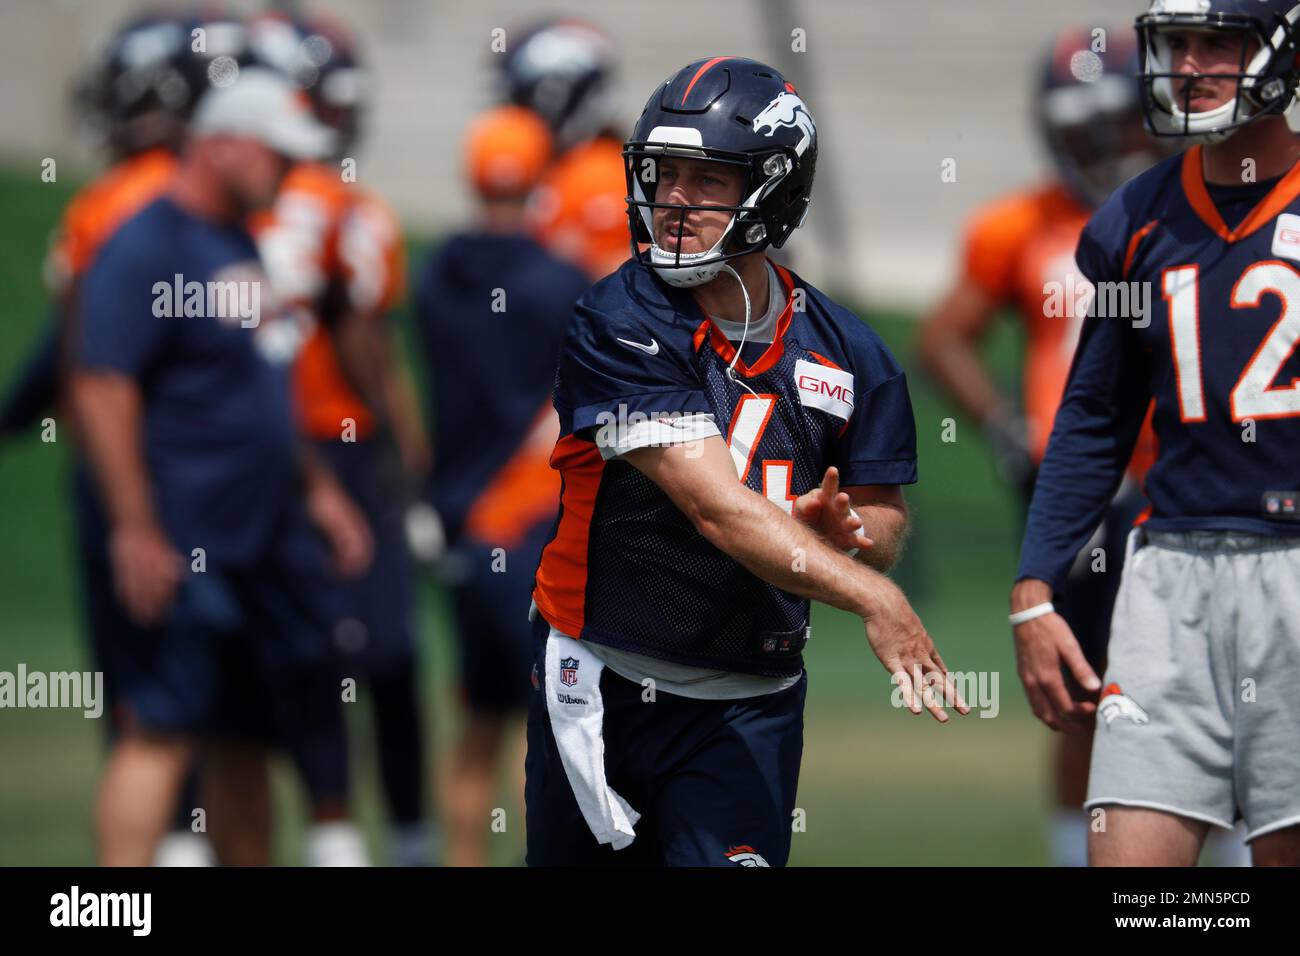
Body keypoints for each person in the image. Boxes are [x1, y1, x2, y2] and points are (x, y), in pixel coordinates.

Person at [525, 56, 965, 868]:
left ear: (775, 191)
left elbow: (883, 522)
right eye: (665, 175)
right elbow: (714, 507)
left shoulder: (850, 352)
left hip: (747, 703)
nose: (676, 203)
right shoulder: (620, 316)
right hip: (606, 679)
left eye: (708, 179)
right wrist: (873, 596)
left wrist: (849, 534)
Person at [1012, 0, 1300, 867]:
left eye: (1221, 43)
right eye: (1181, 45)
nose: (1194, 65)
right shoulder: (1138, 216)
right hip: (1168, 576)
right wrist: (1034, 589)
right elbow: (1094, 418)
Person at [70, 67, 372, 866]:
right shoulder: (146, 244)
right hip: (186, 532)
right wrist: (134, 527)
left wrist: (318, 493)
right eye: (276, 153)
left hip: (263, 538)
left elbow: (259, 384)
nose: (288, 171)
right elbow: (101, 386)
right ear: (225, 145)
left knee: (247, 734)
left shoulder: (237, 238)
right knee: (163, 728)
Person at [918, 28, 1163, 866]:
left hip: (1191, 482)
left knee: (1221, 697)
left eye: (1111, 122)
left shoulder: (1192, 211)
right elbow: (945, 336)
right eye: (1079, 127)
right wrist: (1002, 425)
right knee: (1083, 692)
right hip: (1082, 494)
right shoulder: (1020, 225)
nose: (1095, 144)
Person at [247, 10, 433, 867]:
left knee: (258, 661)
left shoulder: (213, 198)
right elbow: (365, 341)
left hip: (235, 450)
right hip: (337, 446)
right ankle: (395, 839)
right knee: (381, 654)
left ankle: (316, 831)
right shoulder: (338, 208)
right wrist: (408, 449)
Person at [415, 105, 590, 866]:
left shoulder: (435, 277)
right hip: (532, 519)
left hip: (459, 519)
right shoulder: (560, 280)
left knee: (478, 716)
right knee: (554, 720)